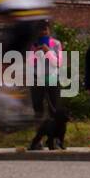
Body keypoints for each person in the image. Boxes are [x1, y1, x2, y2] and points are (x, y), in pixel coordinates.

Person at [26, 20, 66, 152]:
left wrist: (48, 51)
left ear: (49, 30)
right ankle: (39, 141)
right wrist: (37, 52)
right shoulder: (33, 44)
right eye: (41, 30)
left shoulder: (56, 43)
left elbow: (59, 63)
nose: (43, 32)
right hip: (37, 80)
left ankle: (57, 139)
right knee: (38, 110)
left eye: (45, 29)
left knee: (55, 110)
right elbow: (30, 63)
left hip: (53, 79)